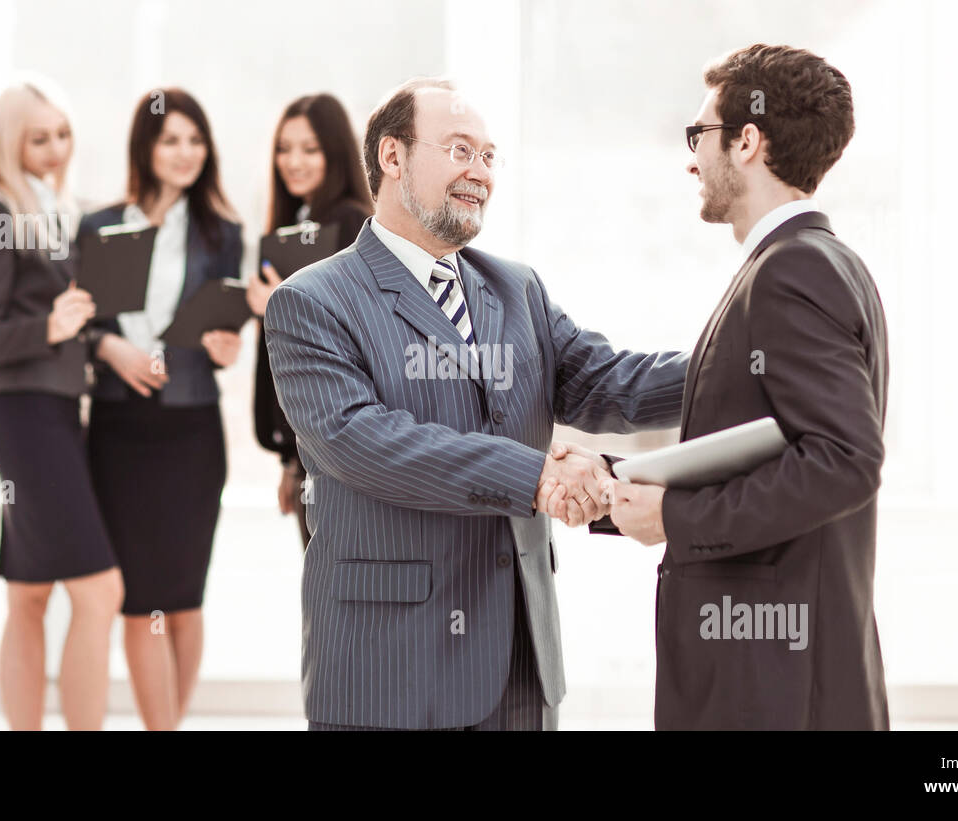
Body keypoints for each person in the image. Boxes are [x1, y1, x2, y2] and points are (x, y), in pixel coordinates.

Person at [263, 77, 690, 731]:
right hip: (389, 671)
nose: (480, 173)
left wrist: (741, 360)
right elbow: (370, 443)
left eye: (490, 156)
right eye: (461, 150)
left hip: (518, 661)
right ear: (392, 156)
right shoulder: (313, 301)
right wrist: (538, 477)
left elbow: (610, 382)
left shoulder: (516, 289)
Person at [601, 44, 891, 730]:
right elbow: (754, 445)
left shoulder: (793, 273)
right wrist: (616, 482)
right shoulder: (817, 263)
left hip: (775, 693)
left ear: (749, 141)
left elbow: (845, 461)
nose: (691, 158)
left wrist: (675, 518)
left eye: (699, 136)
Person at [0, 79, 124, 730]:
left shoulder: (62, 210)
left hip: (56, 410)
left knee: (29, 593)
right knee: (101, 590)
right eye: (38, 137)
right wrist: (49, 328)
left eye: (63, 134)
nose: (55, 148)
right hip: (22, 414)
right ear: (9, 142)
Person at [79, 88, 244, 731]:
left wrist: (228, 348)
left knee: (182, 597)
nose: (184, 153)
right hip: (120, 429)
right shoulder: (100, 224)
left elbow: (225, 333)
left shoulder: (222, 234)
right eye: (171, 139)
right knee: (139, 597)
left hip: (192, 429)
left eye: (195, 140)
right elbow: (77, 320)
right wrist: (109, 345)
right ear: (145, 147)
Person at [245, 93, 374, 550]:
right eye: (284, 148)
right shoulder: (295, 225)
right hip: (309, 457)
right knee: (327, 603)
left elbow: (361, 342)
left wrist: (278, 308)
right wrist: (289, 461)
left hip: (344, 460)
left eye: (309, 149)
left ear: (335, 153)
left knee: (348, 603)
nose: (292, 161)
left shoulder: (357, 226)